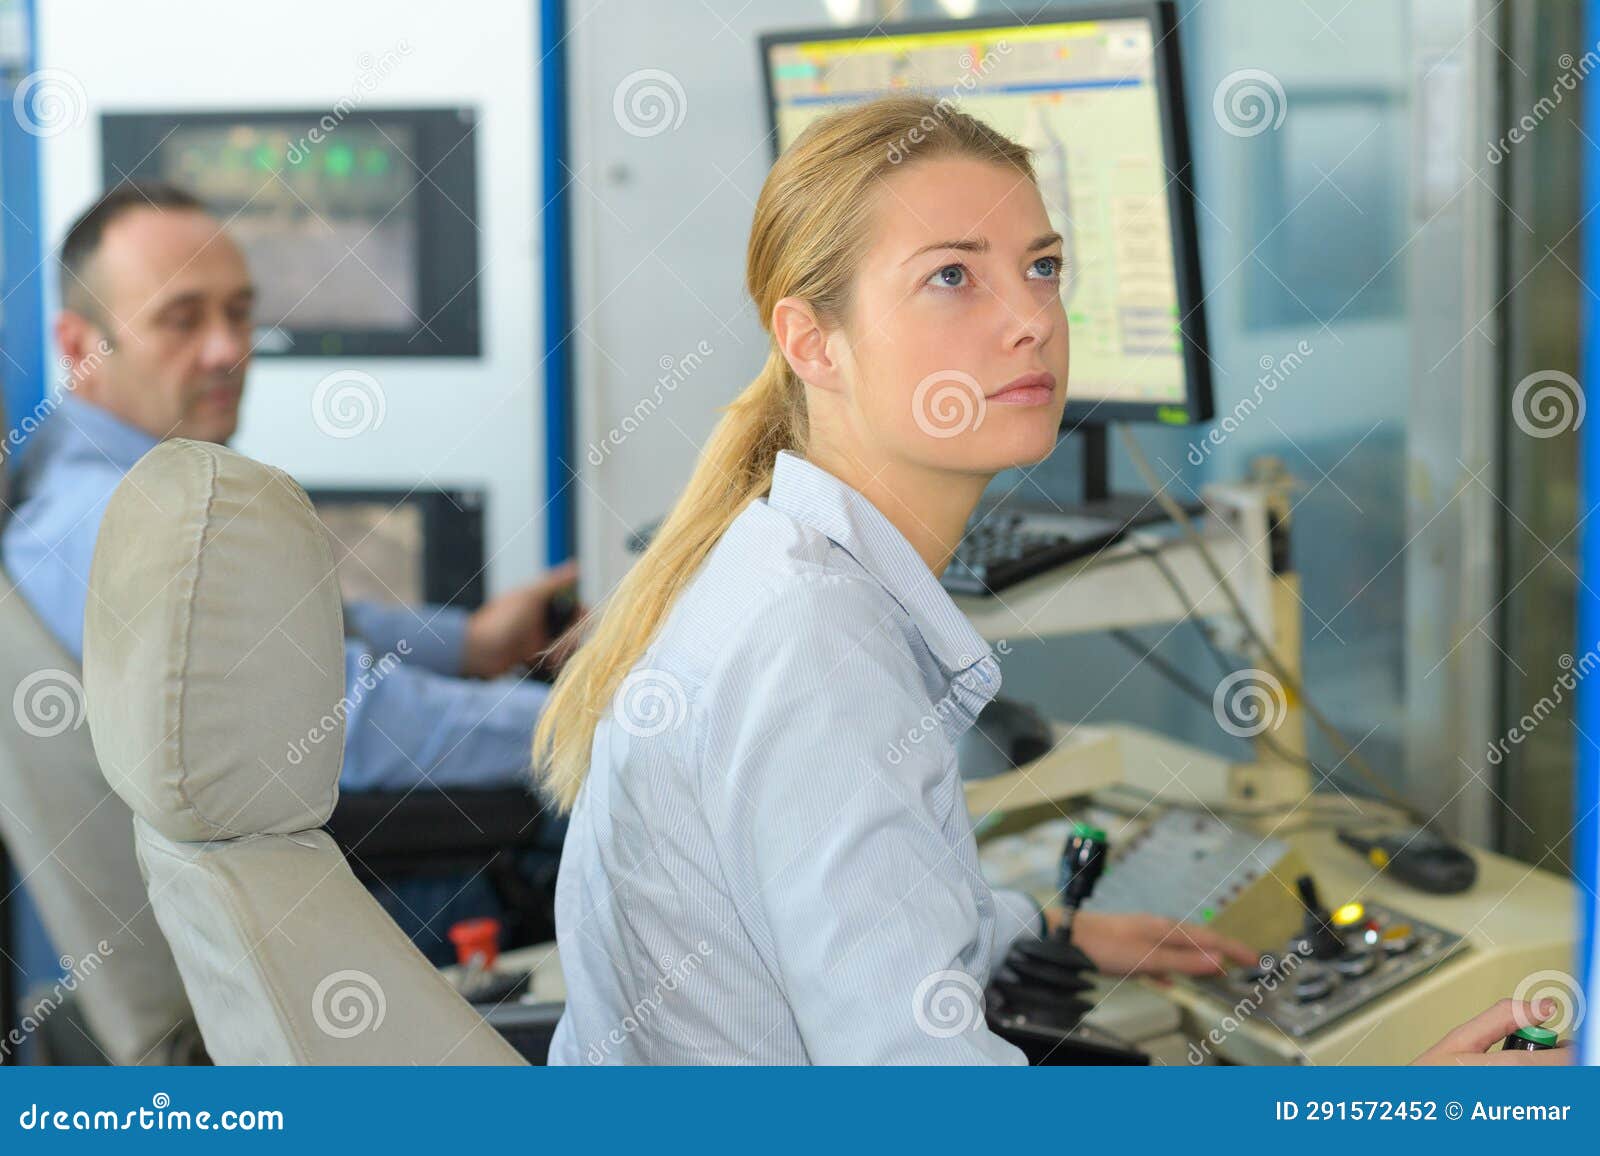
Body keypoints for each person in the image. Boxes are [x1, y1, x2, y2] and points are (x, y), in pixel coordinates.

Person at [532, 95, 1260, 1065]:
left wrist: (1038, 927)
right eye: (952, 276)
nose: (1031, 320)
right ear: (810, 342)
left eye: (1041, 267)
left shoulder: (776, 569)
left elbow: (838, 898)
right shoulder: (811, 647)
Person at [1, 182, 574, 960]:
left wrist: (472, 644)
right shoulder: (114, 522)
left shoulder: (124, 489)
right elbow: (342, 722)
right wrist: (584, 722)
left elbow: (298, 642)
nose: (227, 350)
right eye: (181, 318)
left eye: (238, 312)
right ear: (80, 347)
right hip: (322, 915)